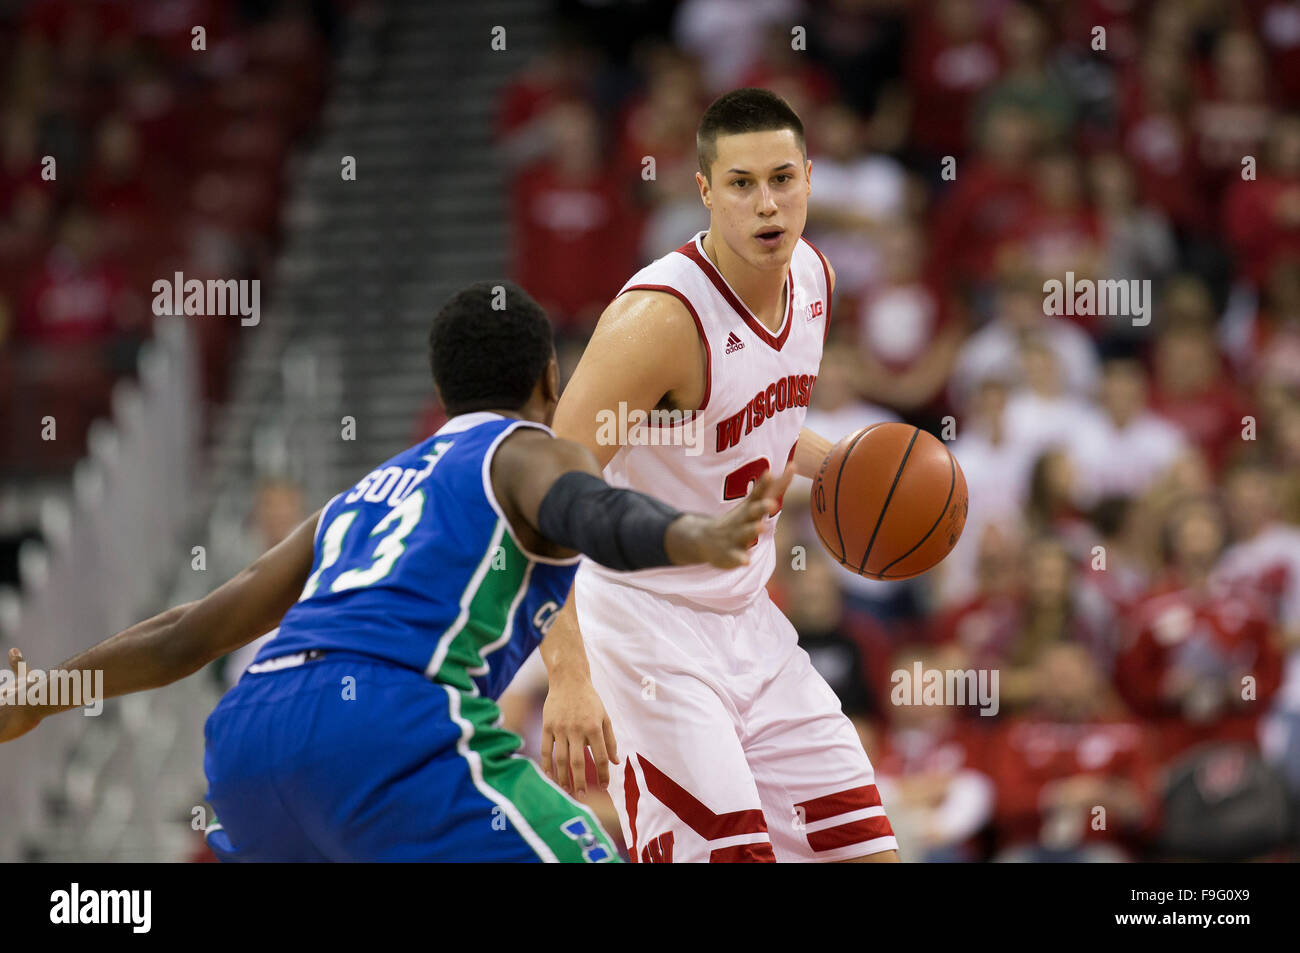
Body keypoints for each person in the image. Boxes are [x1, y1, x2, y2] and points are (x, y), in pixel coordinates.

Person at [0, 281, 788, 862]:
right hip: (386, 720)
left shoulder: (361, 494)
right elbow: (594, 510)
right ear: (552, 379)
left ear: (440, 392)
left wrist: (47, 691)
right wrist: (694, 534)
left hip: (250, 740)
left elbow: (191, 630)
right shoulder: (526, 449)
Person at [547, 87, 900, 862]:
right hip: (646, 625)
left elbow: (748, 423)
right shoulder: (658, 322)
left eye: (782, 178)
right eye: (741, 184)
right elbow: (541, 491)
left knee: (867, 851)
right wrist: (568, 673)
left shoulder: (814, 279)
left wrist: (838, 465)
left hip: (750, 616)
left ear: (810, 177)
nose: (767, 203)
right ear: (705, 191)